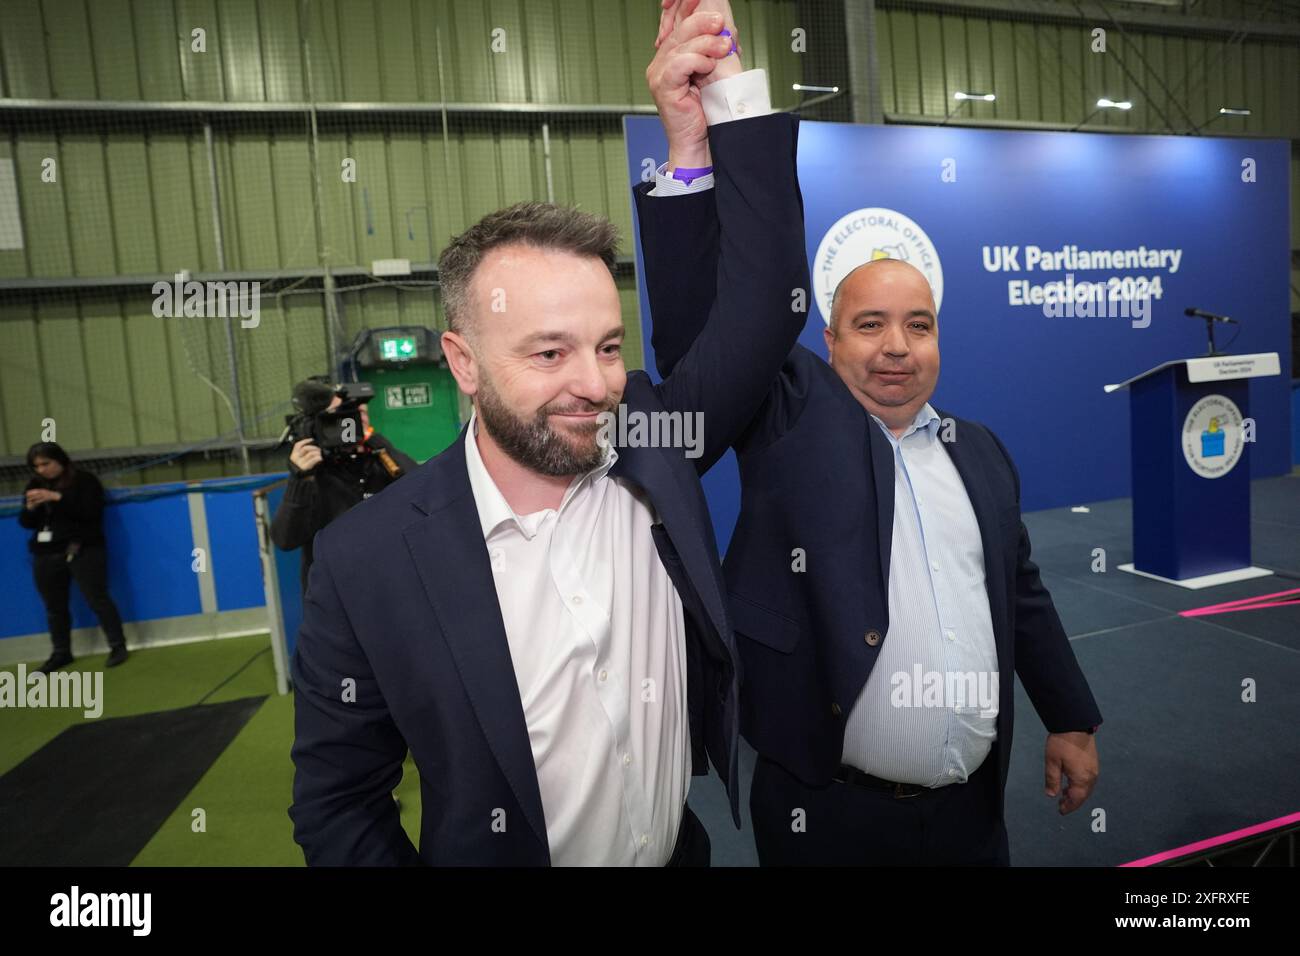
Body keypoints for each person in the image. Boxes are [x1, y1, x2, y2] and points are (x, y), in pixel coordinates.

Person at [288, 10, 808, 866]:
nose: (595, 384)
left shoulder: (652, 441)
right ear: (463, 361)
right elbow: (340, 805)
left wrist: (700, 127)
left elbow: (762, 303)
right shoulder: (366, 562)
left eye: (608, 347)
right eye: (548, 353)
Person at [639, 0, 1102, 866]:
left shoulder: (983, 454)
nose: (897, 347)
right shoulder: (787, 418)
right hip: (829, 822)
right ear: (824, 338)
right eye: (870, 325)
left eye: (918, 325)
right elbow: (709, 335)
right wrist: (700, 138)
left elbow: (1022, 596)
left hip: (975, 820)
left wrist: (1070, 716)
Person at [270, 380, 418, 592]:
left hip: (389, 590)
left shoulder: (380, 460)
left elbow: (422, 491)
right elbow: (285, 540)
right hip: (334, 600)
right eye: (341, 414)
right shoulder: (314, 475)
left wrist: (376, 442)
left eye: (360, 414)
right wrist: (300, 480)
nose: (352, 420)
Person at [18, 442, 128, 673]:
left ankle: (117, 646)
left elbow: (90, 512)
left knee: (97, 598)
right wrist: (29, 508)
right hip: (46, 553)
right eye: (36, 466)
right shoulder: (34, 485)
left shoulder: (85, 481)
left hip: (83, 548)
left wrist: (57, 498)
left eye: (46, 464)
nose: (41, 470)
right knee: (54, 606)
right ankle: (61, 652)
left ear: (60, 460)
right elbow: (27, 523)